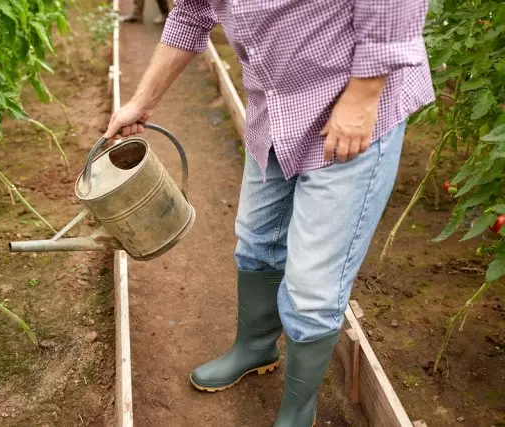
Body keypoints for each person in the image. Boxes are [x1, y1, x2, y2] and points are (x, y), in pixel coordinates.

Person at [105, 1, 434, 425]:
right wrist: (141, 102)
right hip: (276, 107)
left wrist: (362, 97)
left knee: (313, 287)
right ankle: (256, 346)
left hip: (351, 109)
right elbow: (191, 12)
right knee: (257, 240)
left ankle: (298, 412)